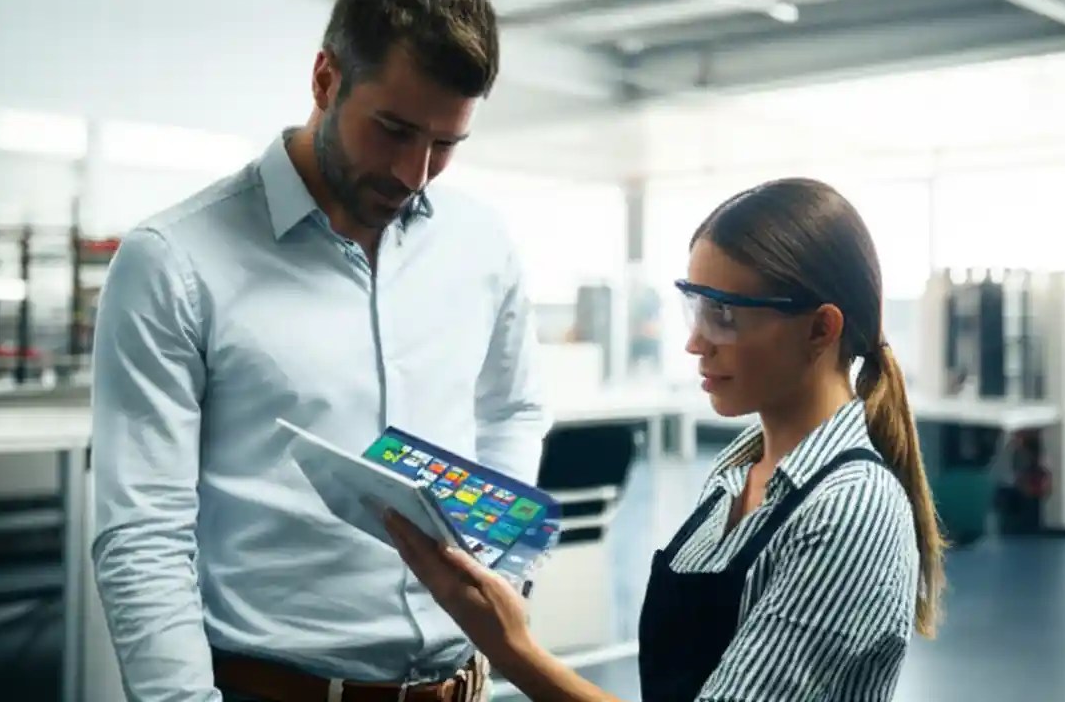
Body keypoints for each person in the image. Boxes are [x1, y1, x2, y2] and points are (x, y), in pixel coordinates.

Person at [90, 0, 550, 701]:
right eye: (394, 130)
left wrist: (503, 569)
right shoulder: (173, 261)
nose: (415, 173)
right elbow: (143, 532)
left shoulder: (482, 246)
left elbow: (513, 411)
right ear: (325, 78)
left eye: (446, 144)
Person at [386, 178, 948, 702]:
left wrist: (512, 646)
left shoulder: (851, 509)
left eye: (723, 315)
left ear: (820, 329)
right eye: (695, 307)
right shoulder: (734, 477)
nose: (696, 343)